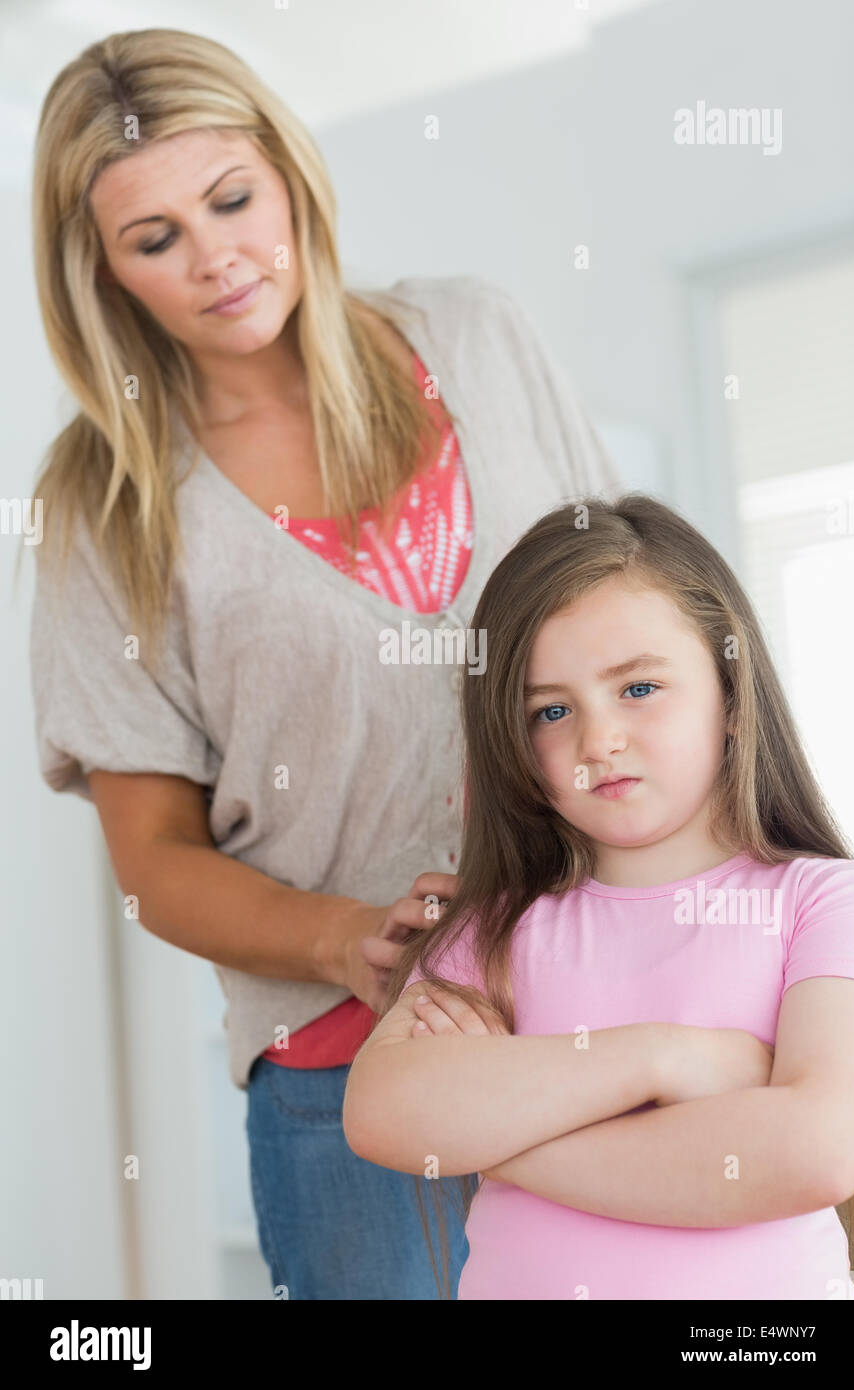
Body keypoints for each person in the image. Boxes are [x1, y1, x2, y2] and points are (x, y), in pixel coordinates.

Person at [27, 29, 620, 1299]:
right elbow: (153, 868)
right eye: (155, 238)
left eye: (232, 199)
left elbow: (642, 636)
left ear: (287, 174)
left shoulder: (476, 333)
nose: (216, 259)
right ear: (103, 275)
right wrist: (348, 939)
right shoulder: (101, 505)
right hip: (347, 1069)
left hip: (600, 997)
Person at [345, 493, 854, 1301]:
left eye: (639, 689)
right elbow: (384, 1112)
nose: (599, 740)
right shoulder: (494, 926)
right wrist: (670, 1057)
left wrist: (501, 1137)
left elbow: (815, 1151)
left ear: (730, 691)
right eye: (551, 711)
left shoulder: (823, 903)